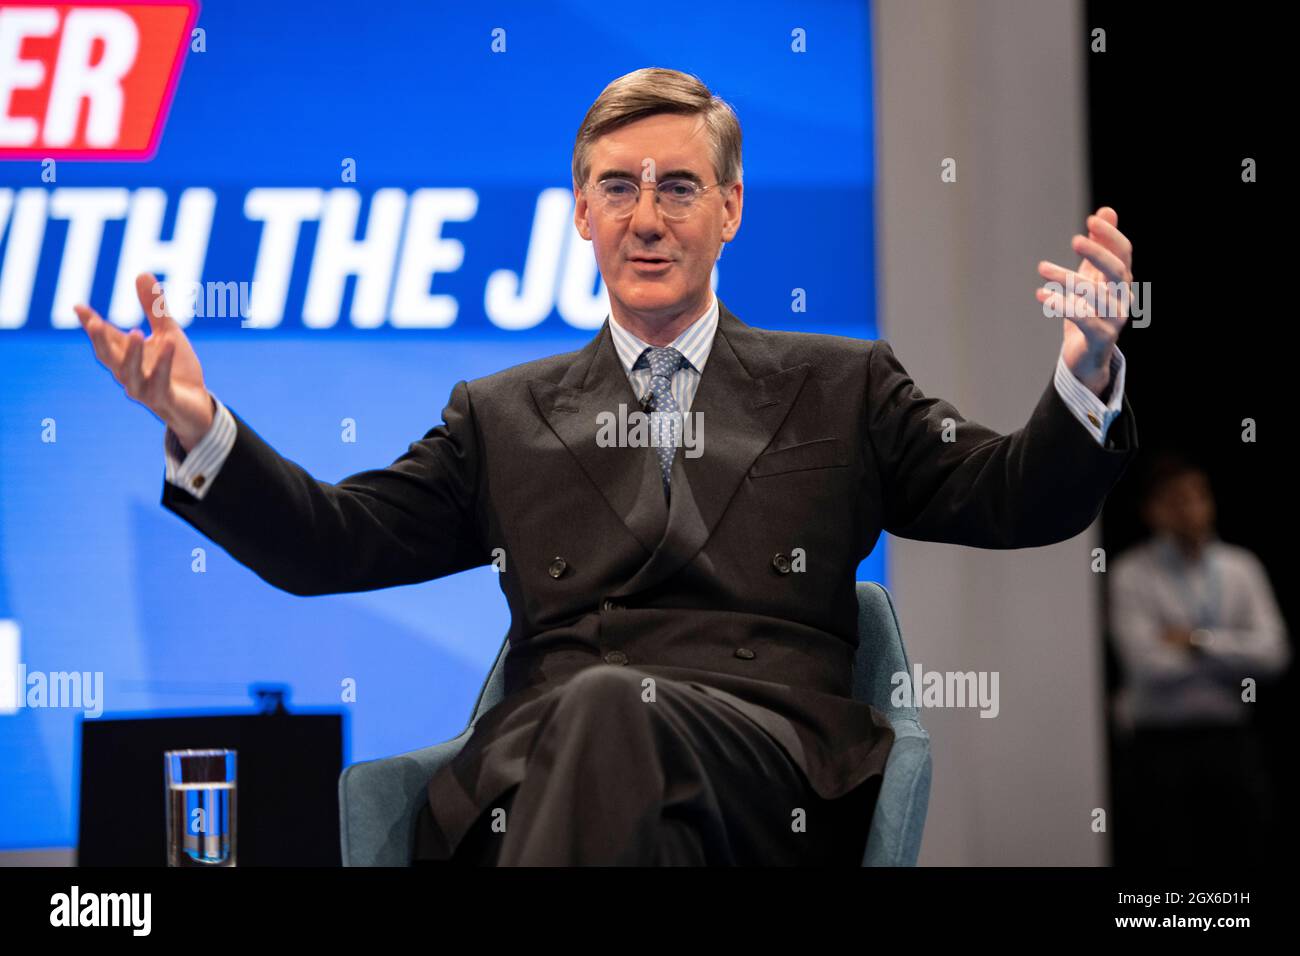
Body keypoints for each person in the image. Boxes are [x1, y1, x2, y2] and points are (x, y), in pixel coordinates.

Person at [74, 67, 1139, 865]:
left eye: (678, 187)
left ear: (728, 210)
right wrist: (201, 422)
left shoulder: (841, 384)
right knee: (597, 730)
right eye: (615, 188)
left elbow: (1013, 497)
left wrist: (1084, 371)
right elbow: (333, 543)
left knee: (609, 707)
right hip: (538, 769)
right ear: (580, 212)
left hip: (766, 773)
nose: (645, 216)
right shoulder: (500, 414)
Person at [1109, 455, 1289, 865]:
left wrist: (1197, 642)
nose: (1190, 509)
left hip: (1230, 743)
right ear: (1152, 511)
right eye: (1175, 500)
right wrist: (1233, 656)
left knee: (1243, 854)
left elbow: (1273, 655)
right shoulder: (1131, 574)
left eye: (1198, 497)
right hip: (1160, 749)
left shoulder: (1240, 568)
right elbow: (1146, 667)